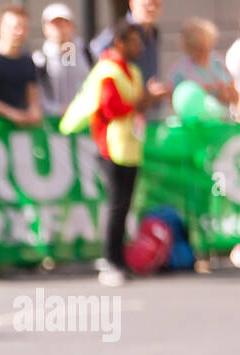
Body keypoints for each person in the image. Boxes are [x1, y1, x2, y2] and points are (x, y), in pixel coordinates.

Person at [60, 20, 170, 286]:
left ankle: (119, 260)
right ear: (119, 43)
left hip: (130, 147)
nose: (140, 46)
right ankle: (110, 262)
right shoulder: (107, 71)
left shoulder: (131, 70)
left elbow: (133, 108)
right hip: (112, 148)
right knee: (116, 206)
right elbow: (113, 109)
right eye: (134, 41)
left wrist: (148, 99)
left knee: (124, 207)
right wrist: (146, 99)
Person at [91, 0, 169, 120]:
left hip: (147, 111)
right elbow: (96, 51)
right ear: (132, 4)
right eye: (147, 4)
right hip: (125, 112)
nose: (152, 8)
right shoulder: (123, 30)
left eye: (156, 4)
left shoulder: (154, 33)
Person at [0, 5, 42, 126]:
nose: (19, 32)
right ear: (0, 28)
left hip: (20, 133)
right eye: (15, 27)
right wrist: (10, 113)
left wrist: (34, 111)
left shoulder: (28, 61)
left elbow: (32, 95)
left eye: (24, 27)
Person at [31, 3, 91, 118]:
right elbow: (37, 94)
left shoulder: (88, 54)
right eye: (55, 25)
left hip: (85, 123)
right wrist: (58, 110)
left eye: (64, 24)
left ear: (72, 27)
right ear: (45, 29)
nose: (60, 29)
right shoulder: (40, 60)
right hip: (52, 125)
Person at [171, 18, 238, 108]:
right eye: (197, 48)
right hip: (193, 120)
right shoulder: (179, 71)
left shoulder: (219, 63)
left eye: (207, 47)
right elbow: (174, 102)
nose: (204, 52)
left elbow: (235, 96)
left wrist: (227, 95)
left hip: (221, 118)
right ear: (188, 48)